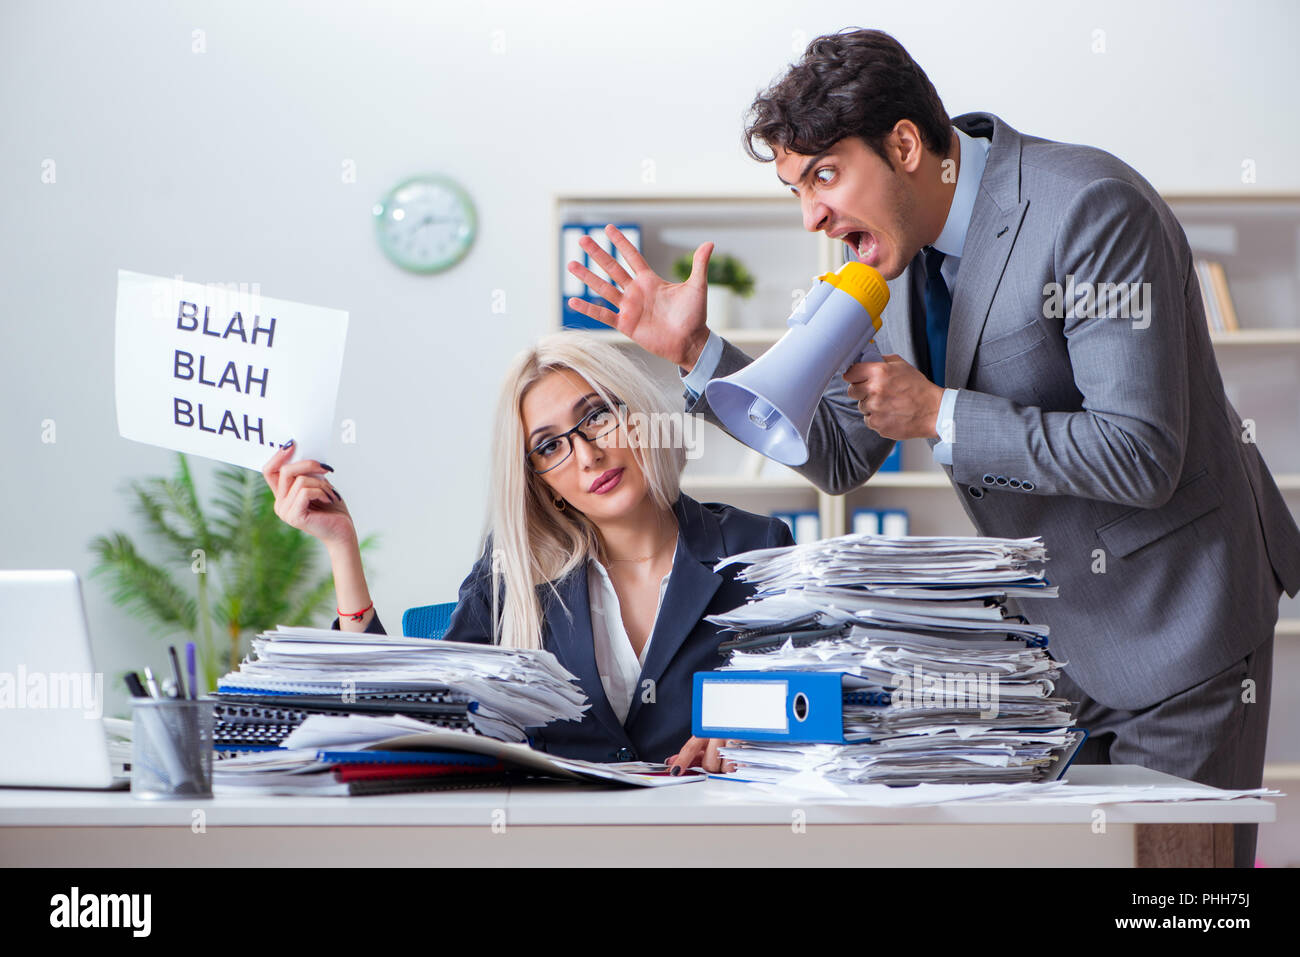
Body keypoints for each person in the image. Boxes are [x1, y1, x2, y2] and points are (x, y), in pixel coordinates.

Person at [563, 28, 1300, 866]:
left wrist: (940, 413)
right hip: (1051, 652)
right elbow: (843, 454)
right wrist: (697, 355)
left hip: (1178, 623)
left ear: (905, 144)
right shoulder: (892, 250)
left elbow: (1140, 451)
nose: (812, 214)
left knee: (1178, 896)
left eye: (823, 175)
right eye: (795, 188)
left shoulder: (1091, 208)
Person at [261, 332, 795, 770]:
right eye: (549, 446)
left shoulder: (756, 548)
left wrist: (752, 734)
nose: (587, 454)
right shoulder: (515, 571)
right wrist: (341, 545)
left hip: (711, 837)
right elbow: (407, 723)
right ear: (540, 483)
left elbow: (817, 699)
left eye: (597, 416)